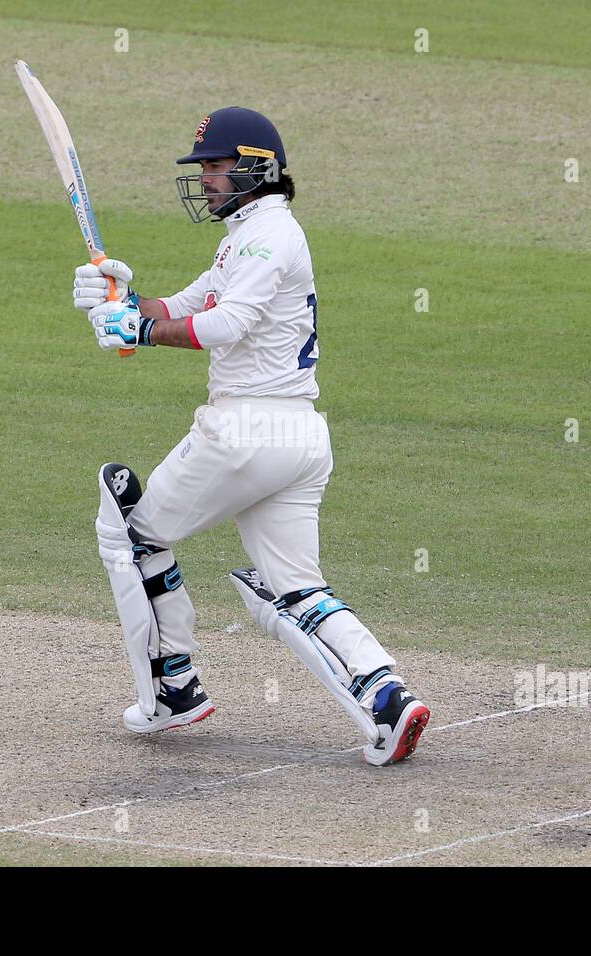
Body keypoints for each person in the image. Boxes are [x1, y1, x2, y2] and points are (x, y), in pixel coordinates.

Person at [72, 107, 429, 765]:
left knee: (132, 533)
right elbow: (181, 308)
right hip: (298, 440)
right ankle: (385, 696)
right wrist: (120, 298)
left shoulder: (269, 237)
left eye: (215, 165)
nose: (206, 178)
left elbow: (227, 324)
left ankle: (173, 686)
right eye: (204, 168)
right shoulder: (249, 237)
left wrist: (139, 334)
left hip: (244, 432)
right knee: (297, 590)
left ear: (255, 166)